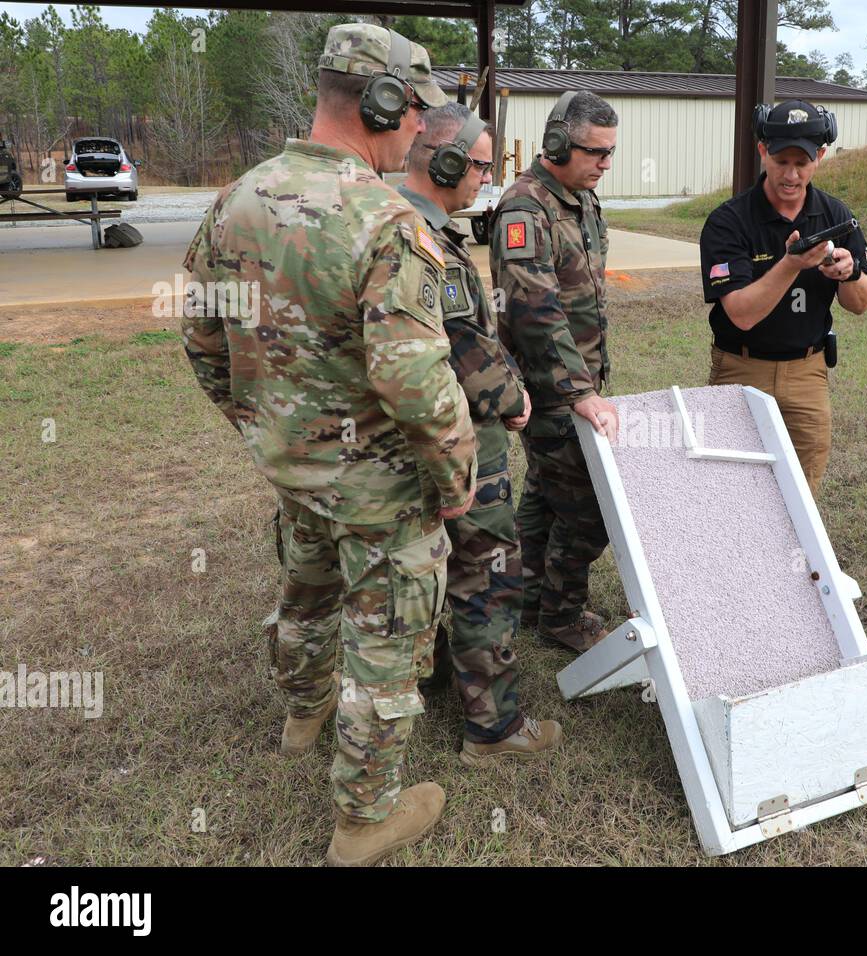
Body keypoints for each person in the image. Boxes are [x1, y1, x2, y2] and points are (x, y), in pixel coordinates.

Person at [182, 23, 477, 866]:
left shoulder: (238, 197)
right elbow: (416, 379)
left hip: (294, 467)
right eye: (417, 111)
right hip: (382, 486)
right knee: (387, 645)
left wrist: (255, 421)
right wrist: (455, 476)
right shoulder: (387, 222)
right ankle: (362, 822)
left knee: (307, 590)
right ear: (385, 104)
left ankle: (301, 713)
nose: (422, 128)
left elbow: (199, 332)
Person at [396, 101, 562, 763]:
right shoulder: (427, 236)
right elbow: (463, 341)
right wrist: (514, 398)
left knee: (433, 561)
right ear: (443, 162)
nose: (485, 182)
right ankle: (493, 727)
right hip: (465, 436)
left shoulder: (386, 220)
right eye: (480, 168)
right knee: (488, 567)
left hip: (407, 435)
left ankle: (438, 673)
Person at [488, 90, 621, 653]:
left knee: (546, 494)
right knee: (588, 509)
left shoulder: (581, 198)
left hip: (578, 384)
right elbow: (534, 312)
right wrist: (577, 392)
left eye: (612, 152)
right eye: (595, 152)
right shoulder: (527, 208)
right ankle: (562, 617)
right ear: (557, 144)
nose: (605, 164)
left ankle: (525, 594)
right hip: (551, 391)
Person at [699, 99, 867, 495]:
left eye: (803, 162)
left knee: (801, 492)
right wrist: (792, 263)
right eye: (781, 161)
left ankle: (792, 560)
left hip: (807, 372)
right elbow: (741, 314)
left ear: (821, 156)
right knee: (730, 488)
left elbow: (860, 303)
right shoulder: (729, 221)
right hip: (740, 369)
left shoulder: (836, 215)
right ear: (763, 151)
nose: (791, 175)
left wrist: (849, 272)